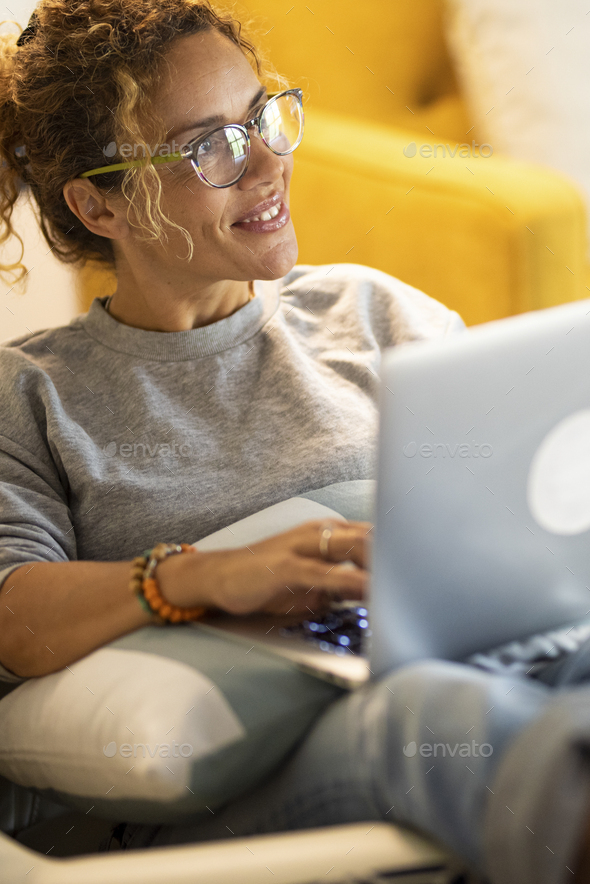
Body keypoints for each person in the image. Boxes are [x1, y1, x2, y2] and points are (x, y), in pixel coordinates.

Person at [0, 3, 590, 882]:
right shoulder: (35, 395)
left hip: (502, 664)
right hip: (272, 773)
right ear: (100, 202)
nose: (270, 163)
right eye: (212, 147)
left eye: (264, 118)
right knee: (425, 720)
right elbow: (13, 616)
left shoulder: (373, 309)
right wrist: (196, 576)